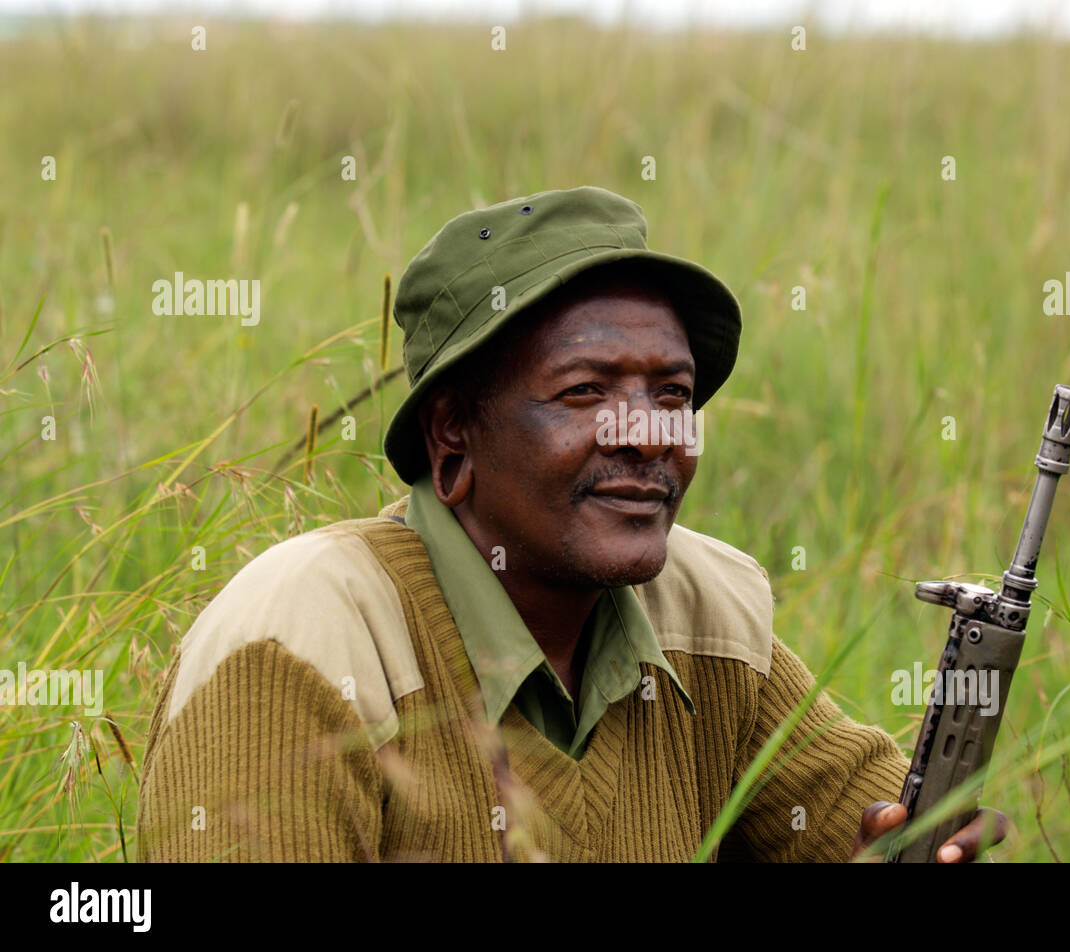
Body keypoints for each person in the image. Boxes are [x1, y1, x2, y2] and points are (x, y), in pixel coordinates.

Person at [137, 185, 1006, 862]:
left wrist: (916, 833)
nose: (649, 435)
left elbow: (866, 814)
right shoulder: (308, 643)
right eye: (585, 393)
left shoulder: (704, 611)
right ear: (453, 436)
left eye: (672, 394)